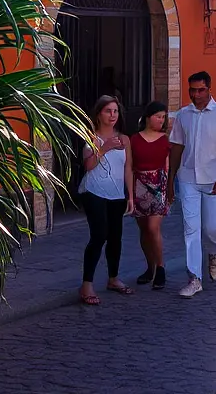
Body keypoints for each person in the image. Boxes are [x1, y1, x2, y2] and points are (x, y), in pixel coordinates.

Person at [168, 71, 216, 298]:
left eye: (200, 90)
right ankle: (194, 278)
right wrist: (170, 181)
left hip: (214, 178)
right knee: (191, 229)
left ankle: (215, 252)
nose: (196, 95)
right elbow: (176, 147)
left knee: (213, 227)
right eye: (192, 90)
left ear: (209, 89)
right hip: (187, 178)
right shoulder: (183, 115)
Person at [77, 95, 134, 305]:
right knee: (99, 235)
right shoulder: (91, 137)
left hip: (116, 193)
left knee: (116, 236)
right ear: (99, 114)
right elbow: (89, 165)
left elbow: (128, 168)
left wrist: (130, 195)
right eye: (108, 111)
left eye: (115, 111)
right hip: (93, 191)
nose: (112, 115)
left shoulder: (125, 139)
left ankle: (113, 278)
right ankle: (87, 284)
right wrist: (106, 147)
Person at [130, 101, 172, 290]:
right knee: (144, 229)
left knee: (153, 226)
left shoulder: (165, 140)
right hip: (139, 185)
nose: (161, 121)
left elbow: (167, 166)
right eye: (158, 116)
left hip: (158, 185)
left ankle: (161, 267)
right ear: (148, 117)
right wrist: (130, 193)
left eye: (163, 117)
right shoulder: (134, 140)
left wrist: (168, 190)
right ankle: (150, 267)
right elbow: (129, 167)